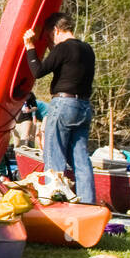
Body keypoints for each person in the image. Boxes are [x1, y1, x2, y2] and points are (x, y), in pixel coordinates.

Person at [24, 11, 96, 202]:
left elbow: (38, 72)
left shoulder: (63, 48)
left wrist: (30, 47)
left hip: (63, 104)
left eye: (49, 37)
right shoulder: (87, 49)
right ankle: (88, 204)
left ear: (56, 30)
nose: (49, 43)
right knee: (81, 160)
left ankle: (53, 202)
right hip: (84, 106)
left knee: (54, 156)